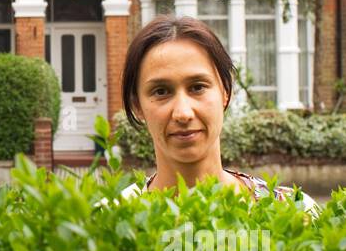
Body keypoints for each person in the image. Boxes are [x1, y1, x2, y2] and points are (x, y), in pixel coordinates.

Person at [116, 14, 318, 213]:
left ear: (225, 93)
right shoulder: (111, 221)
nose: (183, 113)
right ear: (137, 105)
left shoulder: (296, 212)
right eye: (161, 91)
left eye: (197, 87)